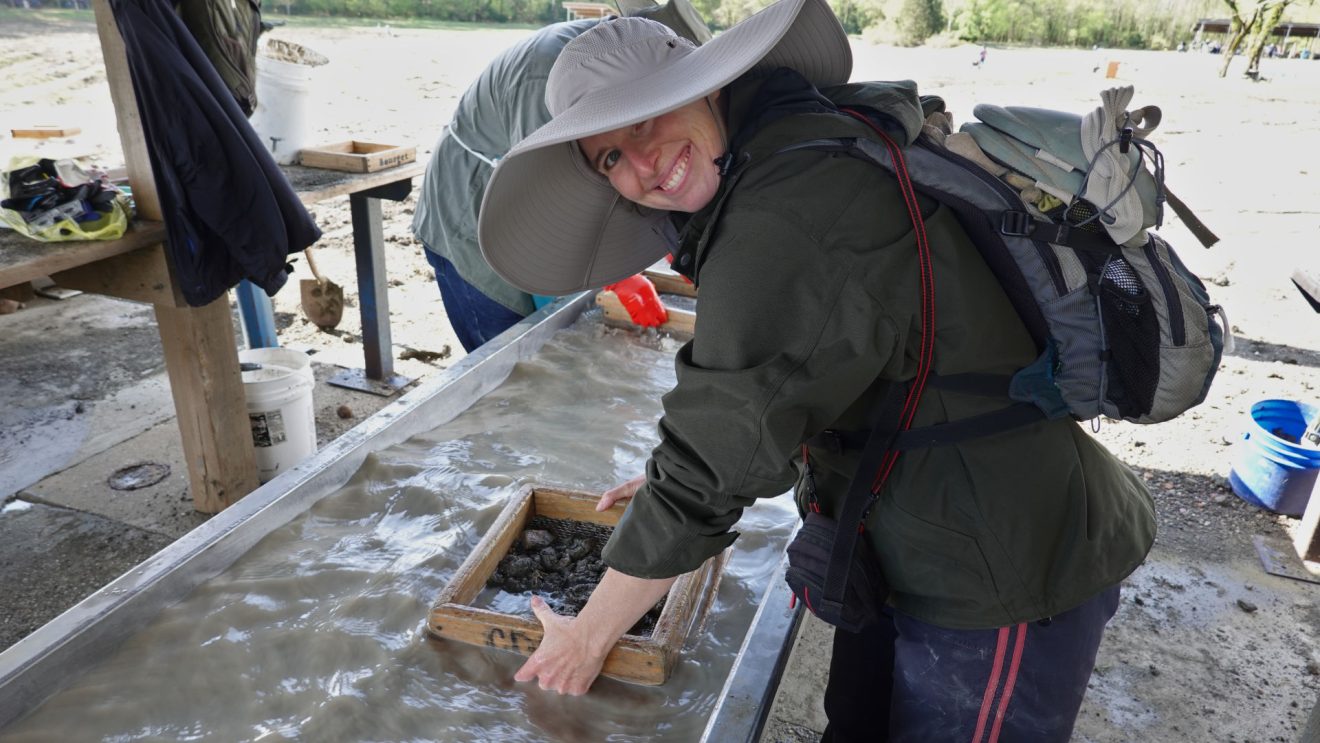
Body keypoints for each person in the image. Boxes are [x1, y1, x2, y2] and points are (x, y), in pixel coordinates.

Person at [477, 0, 1156, 739]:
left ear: (706, 85)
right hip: (905, 525)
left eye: (643, 120)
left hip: (1006, 560)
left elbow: (715, 455)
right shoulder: (790, 147)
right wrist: (679, 484)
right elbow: (796, 383)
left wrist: (586, 636)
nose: (641, 165)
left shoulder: (786, 209)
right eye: (609, 156)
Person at [410, 0, 710, 352]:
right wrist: (620, 279)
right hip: (470, 215)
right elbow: (545, 199)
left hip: (535, 212)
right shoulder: (552, 80)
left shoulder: (624, 68)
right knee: (515, 357)